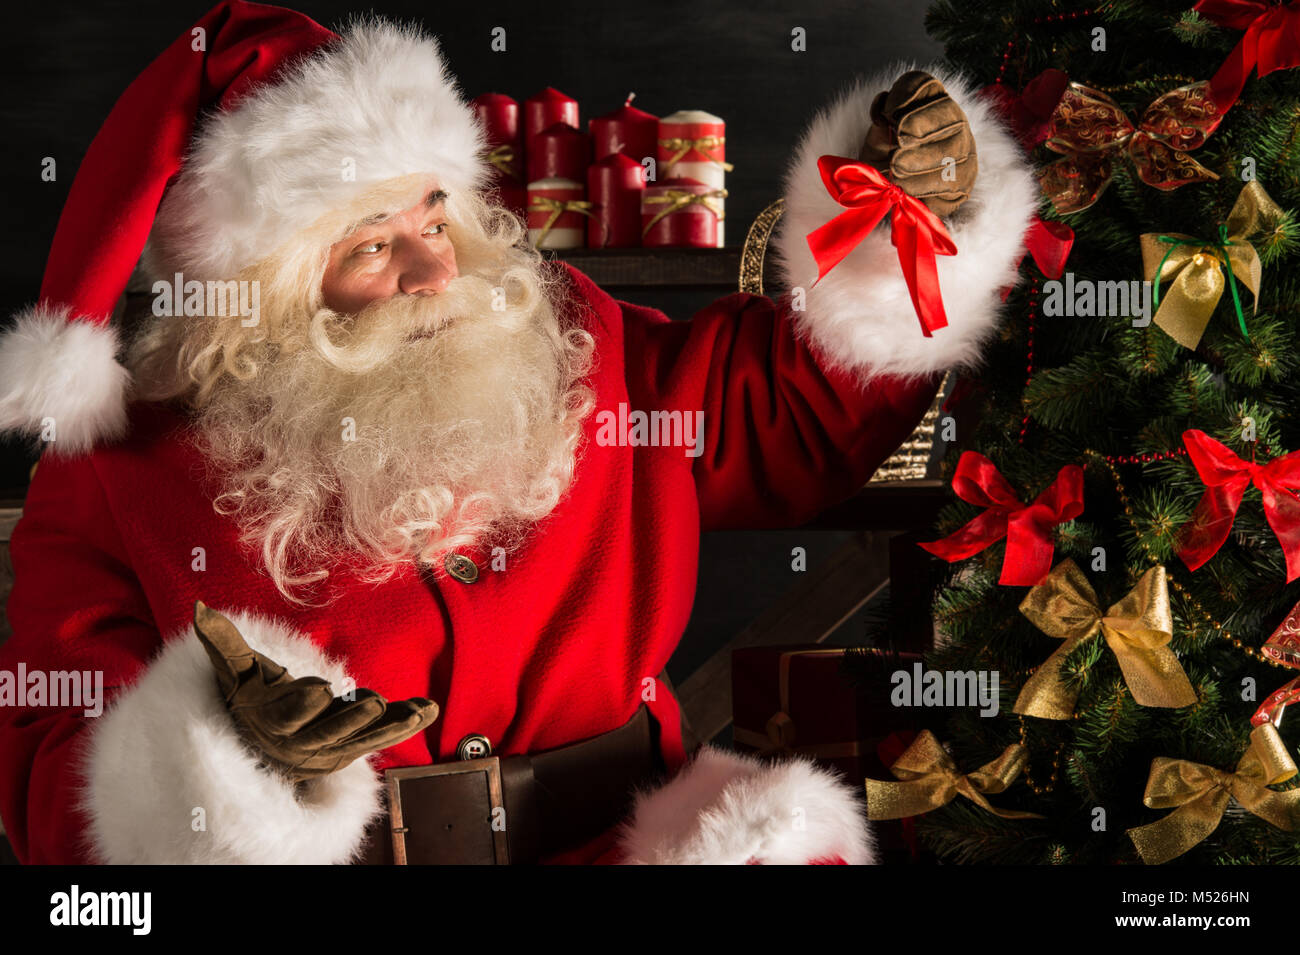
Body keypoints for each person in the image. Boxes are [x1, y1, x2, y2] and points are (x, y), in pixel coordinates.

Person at [0, 1, 1036, 864]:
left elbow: (795, 407)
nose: (433, 267)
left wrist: (910, 218)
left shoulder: (574, 343)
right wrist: (225, 762)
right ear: (253, 297)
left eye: (433, 213)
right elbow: (51, 764)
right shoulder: (115, 470)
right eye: (372, 245)